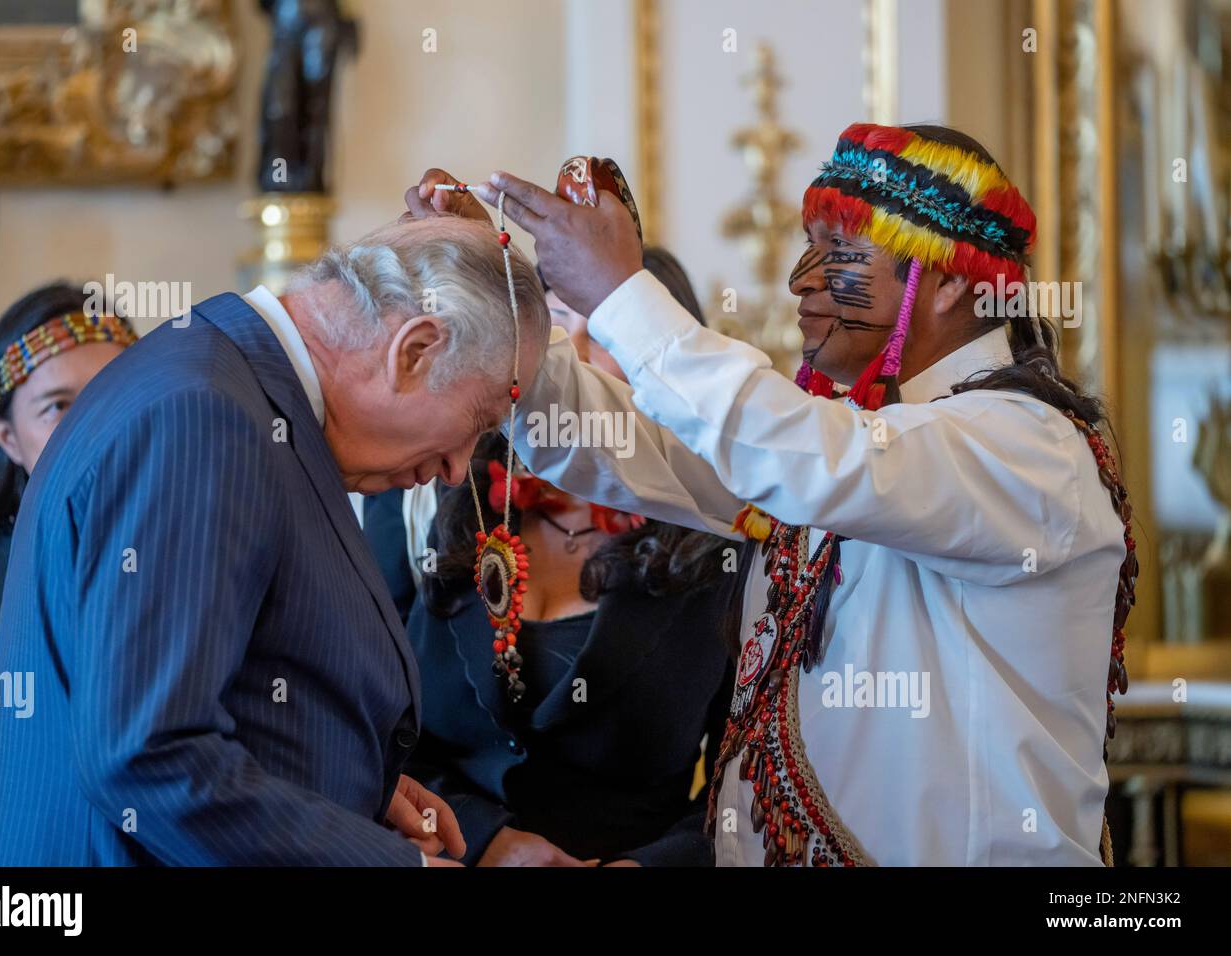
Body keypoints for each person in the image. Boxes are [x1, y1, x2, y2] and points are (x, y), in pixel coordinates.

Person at [414, 121, 1136, 866]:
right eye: (808, 247)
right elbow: (641, 446)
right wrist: (499, 304)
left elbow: (808, 457)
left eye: (842, 254)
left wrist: (620, 293)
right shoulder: (855, 438)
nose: (803, 280)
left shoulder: (1026, 447)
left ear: (950, 279)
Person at [0, 214, 550, 866]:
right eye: (479, 420)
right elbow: (149, 753)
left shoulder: (231, 382)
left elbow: (238, 686)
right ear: (415, 350)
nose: (460, 467)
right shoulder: (205, 416)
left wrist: (353, 794)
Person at [363, 247, 735, 866]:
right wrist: (485, 839)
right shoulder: (429, 493)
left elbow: (746, 776)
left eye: (608, 334)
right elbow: (361, 724)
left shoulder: (725, 533)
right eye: (557, 330)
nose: (580, 360)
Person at [0, 283, 135, 865]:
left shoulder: (213, 569)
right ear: (6, 436)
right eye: (59, 407)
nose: (96, 429)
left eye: (114, 397)